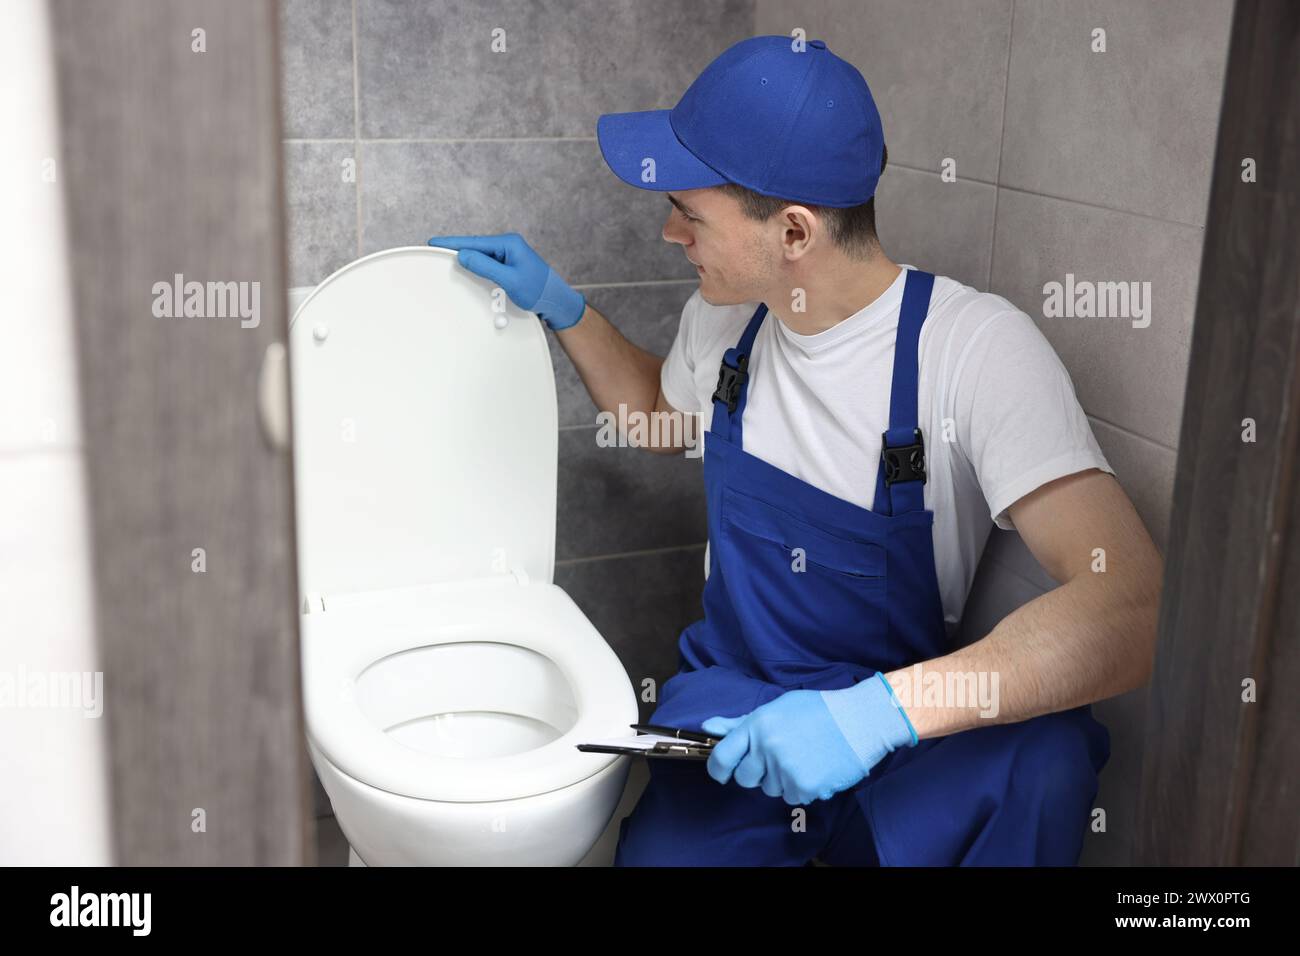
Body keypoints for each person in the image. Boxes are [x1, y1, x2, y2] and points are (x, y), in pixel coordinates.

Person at [428, 34, 1162, 866]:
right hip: (735, 724)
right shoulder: (728, 315)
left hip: (900, 729)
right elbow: (661, 419)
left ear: (794, 232)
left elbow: (1130, 604)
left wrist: (869, 718)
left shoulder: (971, 351)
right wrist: (562, 307)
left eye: (691, 214)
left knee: (1046, 756)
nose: (672, 233)